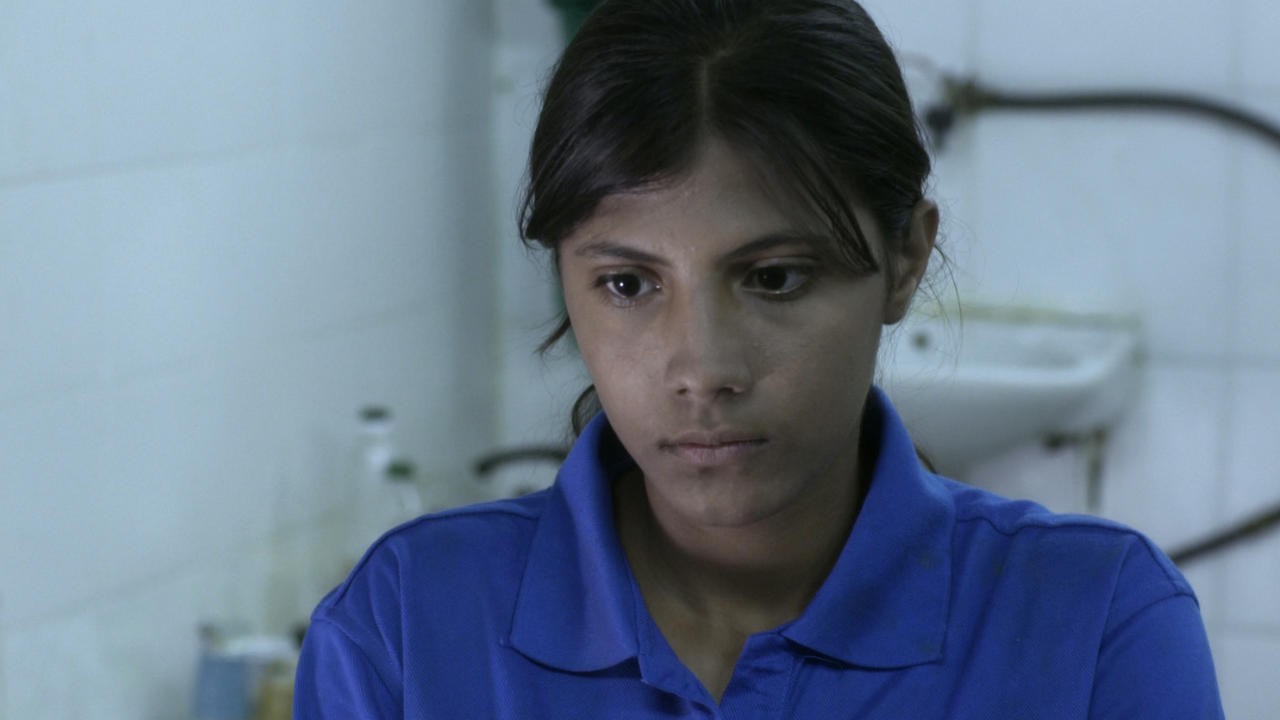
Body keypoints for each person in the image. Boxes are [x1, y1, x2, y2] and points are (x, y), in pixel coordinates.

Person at [294, 1, 1224, 717]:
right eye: (628, 284)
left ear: (905, 259)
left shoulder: (1095, 623)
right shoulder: (405, 629)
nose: (702, 369)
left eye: (774, 278)